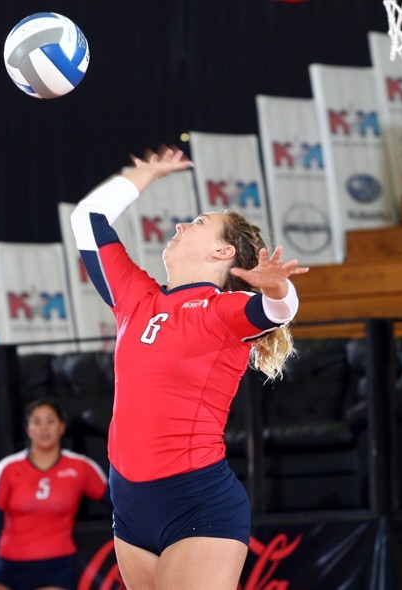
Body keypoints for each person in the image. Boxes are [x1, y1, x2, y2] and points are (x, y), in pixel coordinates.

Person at [69, 145, 308, 589]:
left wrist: (279, 287)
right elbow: (87, 219)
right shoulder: (137, 297)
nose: (180, 224)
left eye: (198, 223)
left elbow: (277, 311)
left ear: (222, 252)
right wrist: (140, 178)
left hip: (196, 504)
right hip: (131, 506)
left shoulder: (221, 311)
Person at [0, 398, 110, 590]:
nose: (44, 428)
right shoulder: (8, 468)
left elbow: (120, 507)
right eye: (36, 422)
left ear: (62, 427)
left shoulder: (81, 467)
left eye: (50, 421)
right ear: (28, 429)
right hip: (9, 570)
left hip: (56, 570)